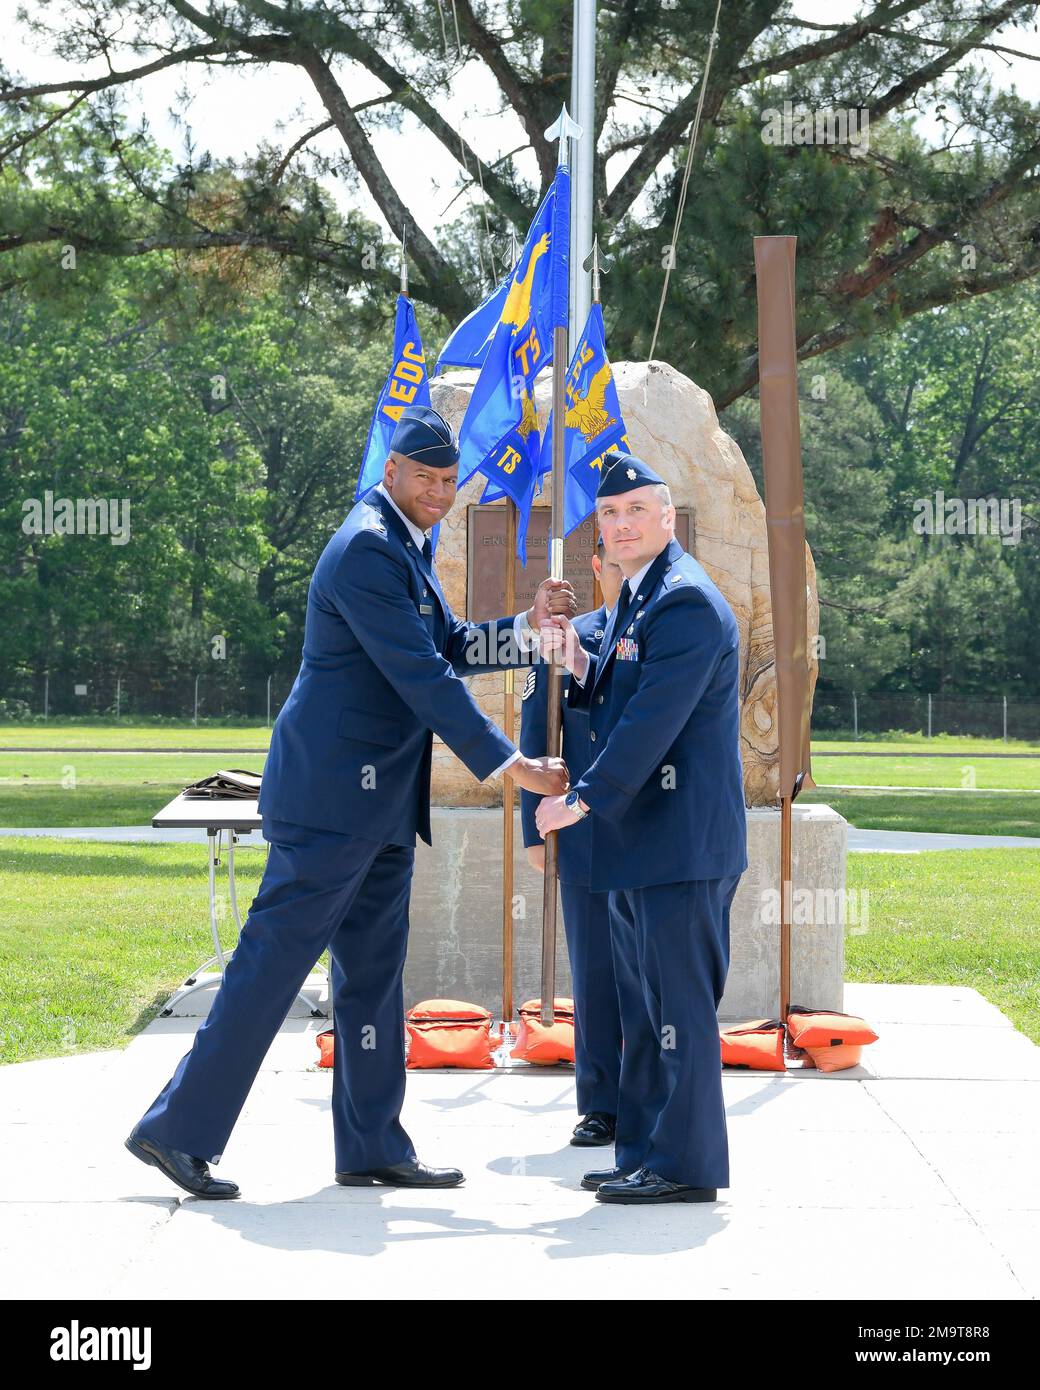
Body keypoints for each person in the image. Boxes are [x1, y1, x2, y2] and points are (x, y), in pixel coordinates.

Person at [126, 404, 574, 1198]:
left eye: (447, 481)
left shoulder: (405, 540)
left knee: (373, 977)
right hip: (334, 802)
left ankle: (371, 1145)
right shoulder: (368, 548)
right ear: (392, 471)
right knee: (270, 969)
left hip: (379, 806)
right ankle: (177, 1131)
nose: (439, 492)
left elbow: (451, 644)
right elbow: (423, 677)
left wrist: (527, 631)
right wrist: (509, 765)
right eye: (425, 478)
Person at [536, 451, 747, 1204]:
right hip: (643, 844)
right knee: (645, 1009)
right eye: (610, 514)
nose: (621, 525)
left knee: (677, 1012)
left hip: (680, 843)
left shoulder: (685, 601)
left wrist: (582, 799)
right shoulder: (636, 598)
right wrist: (580, 664)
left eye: (636, 512)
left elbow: (653, 723)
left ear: (667, 519)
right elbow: (624, 693)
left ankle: (684, 1166)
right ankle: (645, 1153)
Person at [520, 536, 624, 1147]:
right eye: (612, 564)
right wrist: (536, 818)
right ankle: (600, 1103)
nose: (623, 572)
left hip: (643, 823)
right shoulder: (565, 636)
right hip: (577, 823)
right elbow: (540, 730)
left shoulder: (664, 627)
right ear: (594, 566)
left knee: (645, 971)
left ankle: (646, 1090)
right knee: (592, 967)